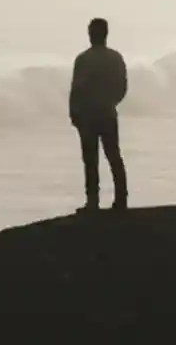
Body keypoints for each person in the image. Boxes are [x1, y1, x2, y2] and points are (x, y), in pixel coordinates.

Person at [69, 17, 128, 212]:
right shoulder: (115, 58)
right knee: (113, 156)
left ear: (90, 34)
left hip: (88, 115)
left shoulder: (83, 59)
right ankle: (121, 200)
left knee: (90, 159)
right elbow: (122, 87)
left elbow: (76, 89)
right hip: (107, 112)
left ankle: (93, 202)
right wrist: (111, 101)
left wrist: (74, 112)